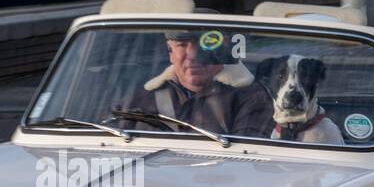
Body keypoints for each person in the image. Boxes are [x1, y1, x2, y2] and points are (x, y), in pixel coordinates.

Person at [116, 30, 272, 137]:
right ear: (170, 53)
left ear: (224, 50)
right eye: (182, 45)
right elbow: (110, 140)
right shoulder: (141, 100)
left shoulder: (252, 98)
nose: (192, 55)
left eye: (205, 43)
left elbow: (244, 158)